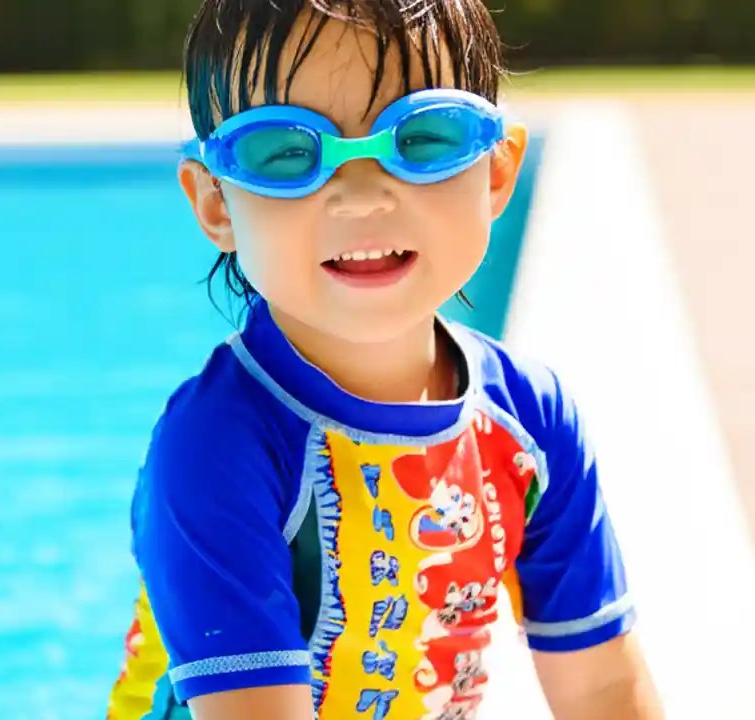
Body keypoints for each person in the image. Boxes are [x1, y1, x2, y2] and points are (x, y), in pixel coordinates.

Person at [107, 1, 663, 718]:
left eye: (424, 137)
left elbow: (602, 688)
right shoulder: (217, 446)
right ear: (216, 203)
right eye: (286, 152)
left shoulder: (531, 420)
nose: (362, 196)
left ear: (497, 173)